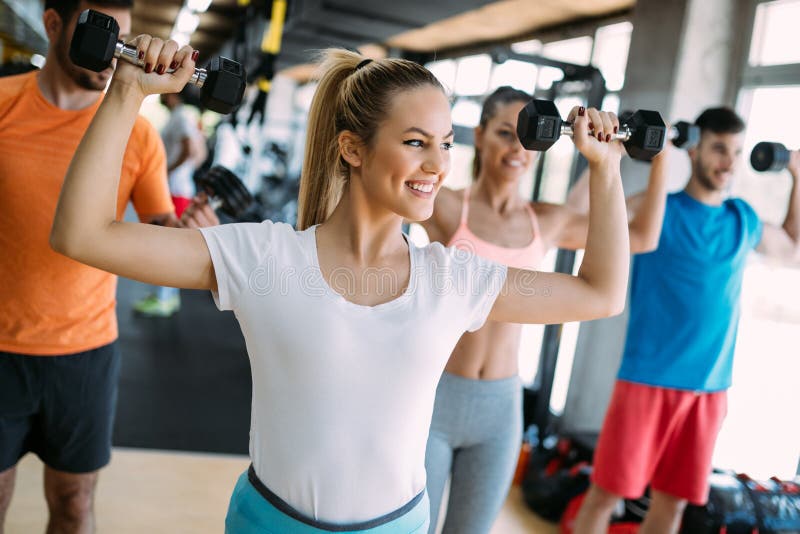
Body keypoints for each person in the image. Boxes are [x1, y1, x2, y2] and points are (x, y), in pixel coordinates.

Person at [51, 35, 630, 532]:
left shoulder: (453, 281)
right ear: (352, 147)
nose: (438, 165)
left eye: (447, 144)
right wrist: (126, 91)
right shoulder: (264, 256)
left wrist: (605, 170)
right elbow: (82, 235)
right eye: (415, 142)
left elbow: (601, 293)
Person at [0, 2, 217, 532]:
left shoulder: (136, 134)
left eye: (121, 36)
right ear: (53, 25)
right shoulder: (3, 106)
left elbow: (159, 224)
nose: (112, 49)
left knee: (75, 507)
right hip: (2, 349)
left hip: (86, 352)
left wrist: (187, 237)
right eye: (97, 32)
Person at [419, 86, 669, 534]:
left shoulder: (547, 221)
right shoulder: (445, 205)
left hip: (500, 407)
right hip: (436, 396)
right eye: (503, 133)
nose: (516, 148)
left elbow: (644, 237)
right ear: (478, 136)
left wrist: (658, 154)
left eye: (527, 136)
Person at [573, 108, 800, 534]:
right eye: (718, 148)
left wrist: (797, 176)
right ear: (693, 148)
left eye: (735, 151)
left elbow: (791, 246)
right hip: (646, 380)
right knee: (605, 496)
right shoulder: (658, 208)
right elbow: (592, 217)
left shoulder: (741, 219)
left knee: (673, 507)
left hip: (708, 390)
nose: (728, 162)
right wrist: (606, 152)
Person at [133, 89, 208, 317]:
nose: (162, 97)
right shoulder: (181, 116)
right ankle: (165, 296)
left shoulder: (181, 117)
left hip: (176, 188)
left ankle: (164, 298)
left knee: (166, 244)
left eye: (165, 94)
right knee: (165, 241)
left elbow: (190, 150)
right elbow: (198, 152)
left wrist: (167, 171)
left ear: (173, 95)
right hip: (177, 186)